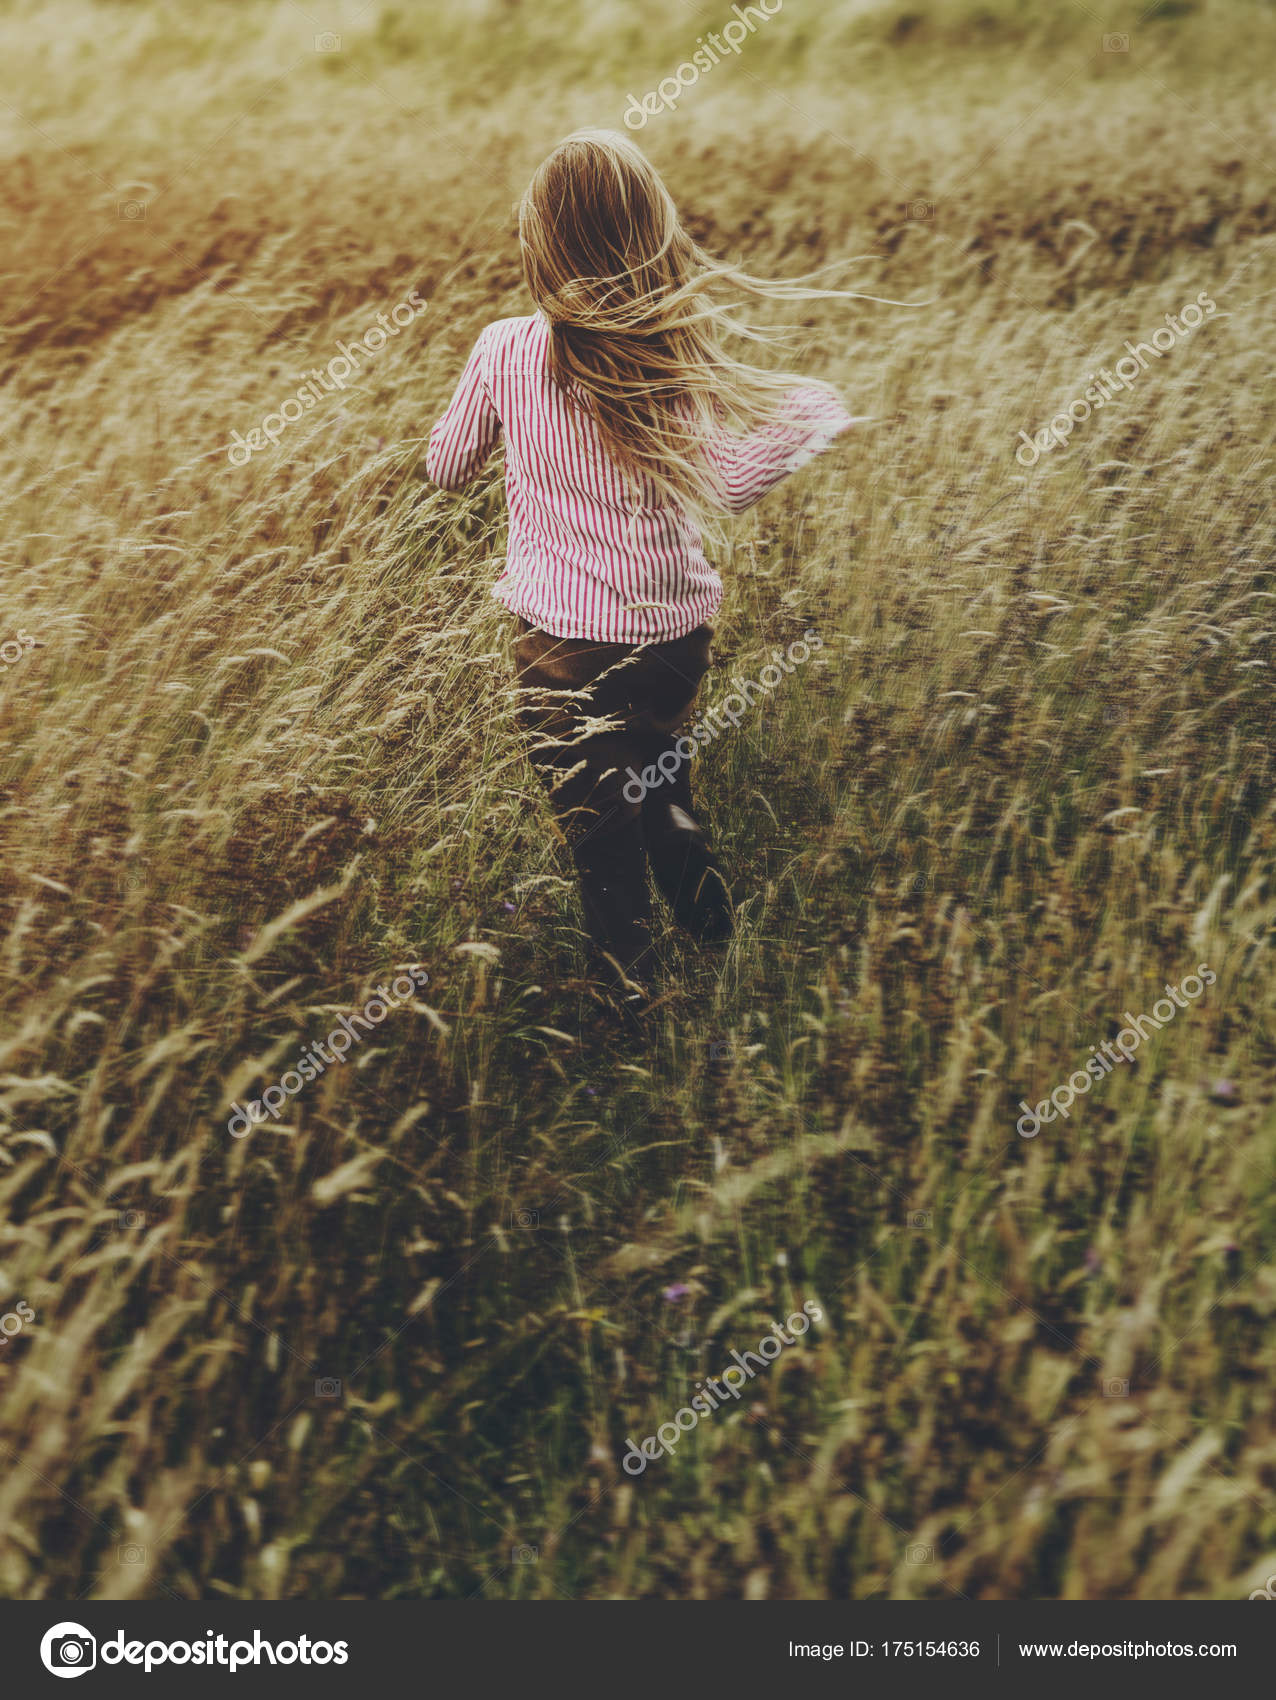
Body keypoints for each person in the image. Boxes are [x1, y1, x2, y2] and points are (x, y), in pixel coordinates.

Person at [427, 129, 862, 1001]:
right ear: (648, 234)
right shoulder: (668, 349)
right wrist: (819, 405)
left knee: (597, 835)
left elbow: (445, 467)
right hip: (673, 638)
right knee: (656, 763)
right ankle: (691, 874)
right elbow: (734, 482)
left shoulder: (505, 350)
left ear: (541, 242)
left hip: (561, 649)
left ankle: (627, 996)